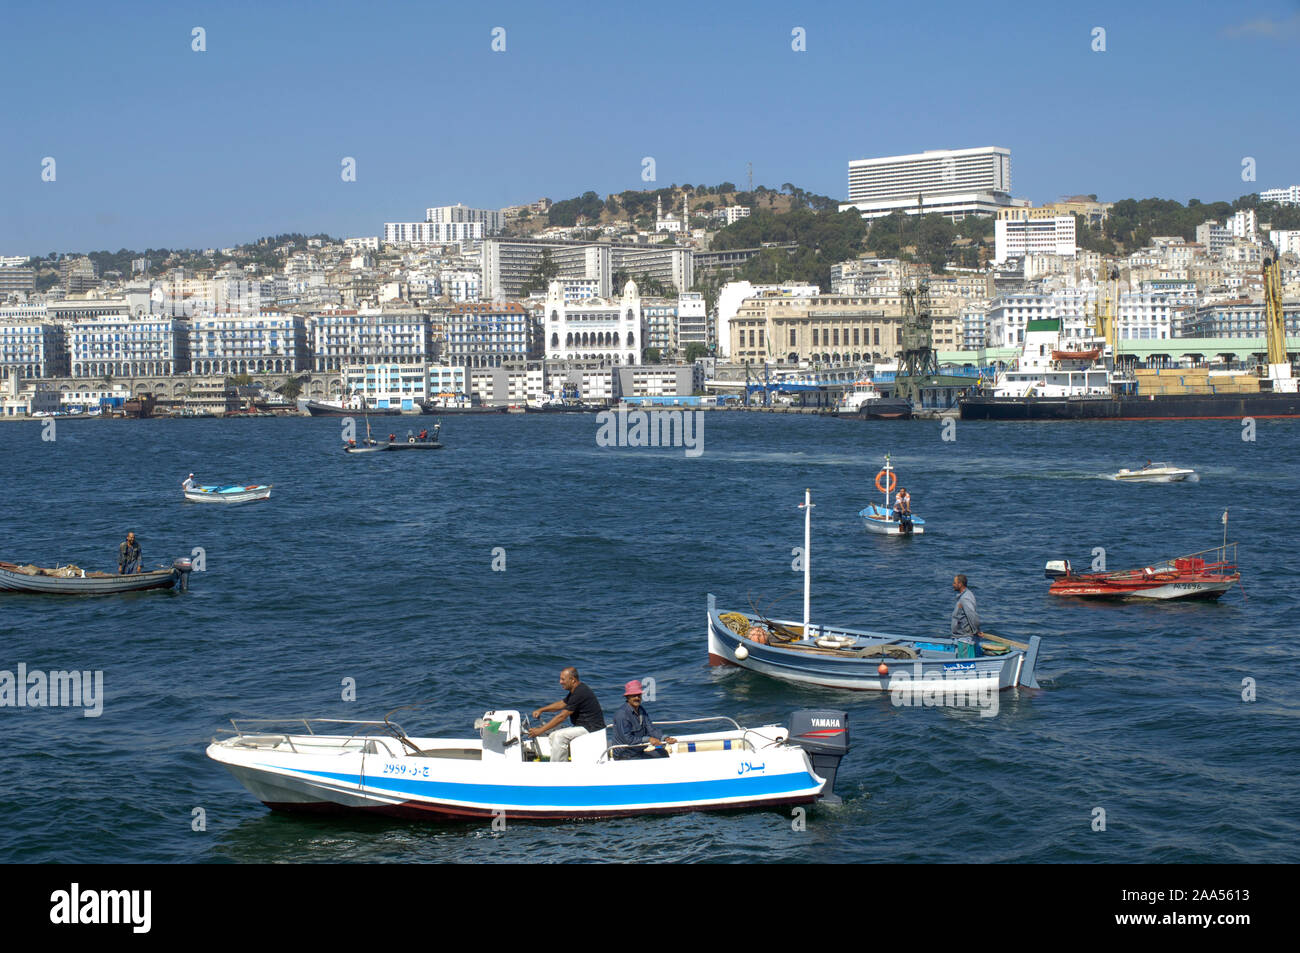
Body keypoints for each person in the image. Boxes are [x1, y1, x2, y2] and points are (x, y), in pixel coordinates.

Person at [528, 667, 605, 763]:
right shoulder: (576, 690)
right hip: (584, 726)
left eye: (563, 679)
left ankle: (559, 768)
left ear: (572, 680)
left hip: (592, 728)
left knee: (559, 736)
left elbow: (562, 716)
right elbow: (562, 704)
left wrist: (540, 730)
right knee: (552, 735)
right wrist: (541, 710)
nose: (560, 682)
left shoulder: (580, 692)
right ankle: (564, 761)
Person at [611, 680, 675, 760]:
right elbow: (627, 739)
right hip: (624, 755)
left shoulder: (641, 710)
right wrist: (648, 739)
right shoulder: (622, 714)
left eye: (639, 695)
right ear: (627, 697)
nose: (637, 698)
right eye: (634, 695)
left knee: (663, 753)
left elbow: (651, 729)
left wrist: (665, 738)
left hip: (638, 752)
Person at [951, 574, 982, 656]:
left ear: (960, 584)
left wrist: (976, 630)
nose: (953, 585)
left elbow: (972, 615)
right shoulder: (964, 596)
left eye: (954, 583)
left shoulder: (965, 598)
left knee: (965, 665)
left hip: (965, 638)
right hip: (962, 636)